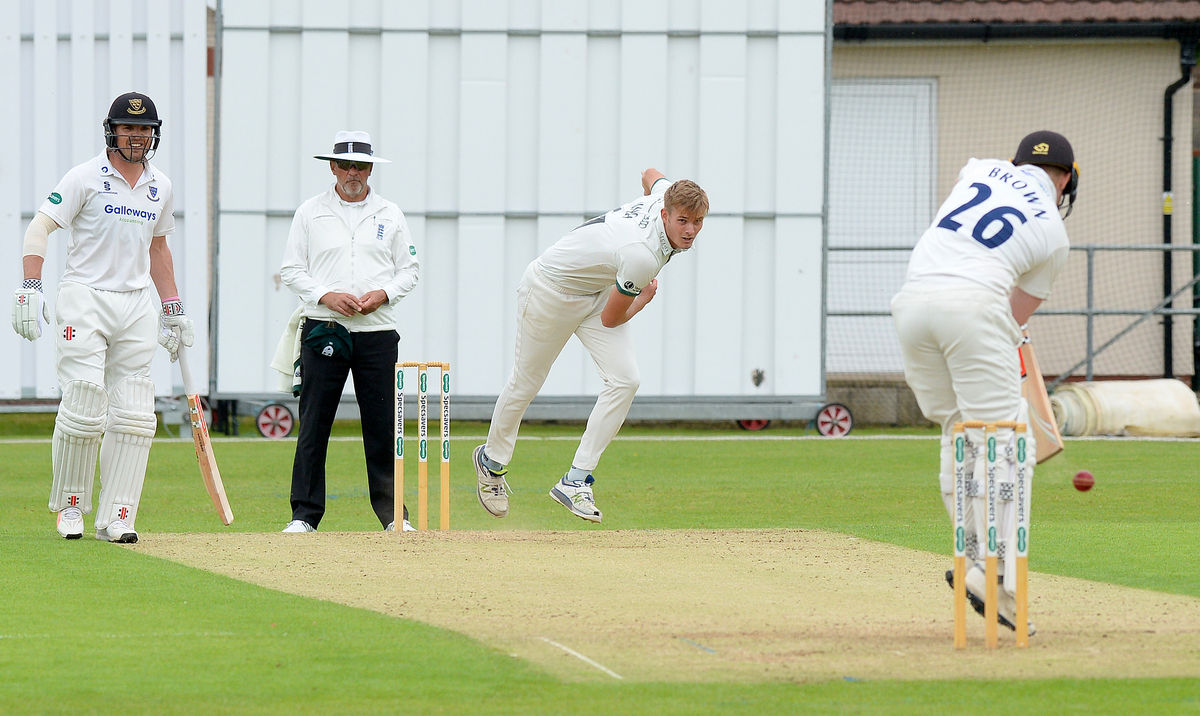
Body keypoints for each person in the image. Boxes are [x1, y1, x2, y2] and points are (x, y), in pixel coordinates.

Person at [890, 130, 1080, 634]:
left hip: (912, 303)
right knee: (1005, 437)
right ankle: (995, 578)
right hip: (974, 307)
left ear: (1017, 163)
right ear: (1064, 181)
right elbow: (1014, 320)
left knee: (962, 430)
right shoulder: (1055, 236)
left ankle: (973, 557)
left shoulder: (979, 167)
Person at [473, 169, 709, 523]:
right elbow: (612, 320)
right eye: (682, 221)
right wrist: (643, 298)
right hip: (549, 291)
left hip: (596, 291)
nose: (690, 230)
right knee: (527, 381)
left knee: (626, 380)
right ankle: (491, 461)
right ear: (664, 213)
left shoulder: (662, 195)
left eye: (697, 221)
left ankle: (576, 479)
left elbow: (650, 175)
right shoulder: (642, 255)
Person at [11, 91, 192, 543]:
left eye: (144, 129)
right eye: (129, 128)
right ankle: (71, 507)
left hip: (135, 305)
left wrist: (173, 309)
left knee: (133, 414)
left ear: (154, 134)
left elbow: (158, 248)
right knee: (85, 404)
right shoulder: (85, 177)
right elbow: (40, 227)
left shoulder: (160, 186)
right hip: (84, 297)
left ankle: (119, 516)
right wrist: (30, 286)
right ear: (112, 130)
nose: (137, 136)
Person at [278, 130, 420, 533]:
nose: (352, 173)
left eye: (360, 165)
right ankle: (304, 516)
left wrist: (384, 293)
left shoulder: (390, 213)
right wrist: (325, 295)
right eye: (345, 165)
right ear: (332, 167)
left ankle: (393, 517)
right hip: (325, 328)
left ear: (370, 168)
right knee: (315, 423)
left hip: (377, 331)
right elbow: (292, 269)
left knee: (382, 426)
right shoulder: (310, 212)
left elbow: (410, 271)